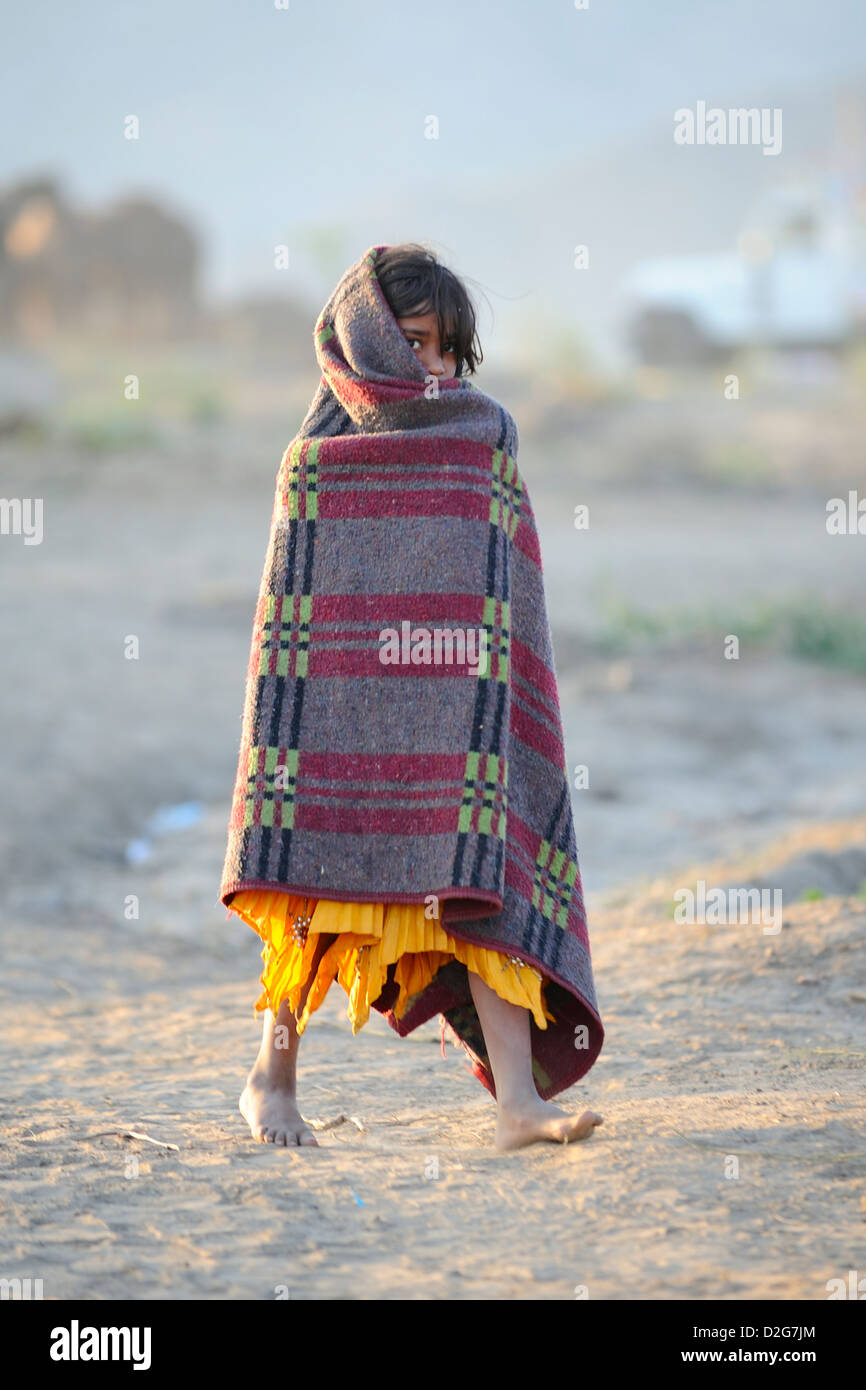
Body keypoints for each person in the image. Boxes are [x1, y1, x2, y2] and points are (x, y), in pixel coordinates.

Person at [220, 243, 604, 1150]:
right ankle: (269, 1080)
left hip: (458, 722)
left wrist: (489, 711)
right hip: (340, 722)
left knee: (480, 887)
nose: (434, 368)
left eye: (448, 351)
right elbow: (291, 632)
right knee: (310, 902)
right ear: (369, 338)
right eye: (419, 343)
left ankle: (518, 1102)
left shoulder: (485, 434)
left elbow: (508, 589)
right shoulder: (313, 460)